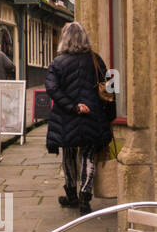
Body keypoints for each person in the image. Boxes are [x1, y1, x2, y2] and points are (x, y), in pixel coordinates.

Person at [44, 21, 113, 214]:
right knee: (88, 154)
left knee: (68, 154)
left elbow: (52, 89)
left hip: (66, 116)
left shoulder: (57, 63)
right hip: (92, 115)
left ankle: (71, 194)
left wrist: (72, 106)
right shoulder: (95, 59)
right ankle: (85, 197)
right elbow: (109, 86)